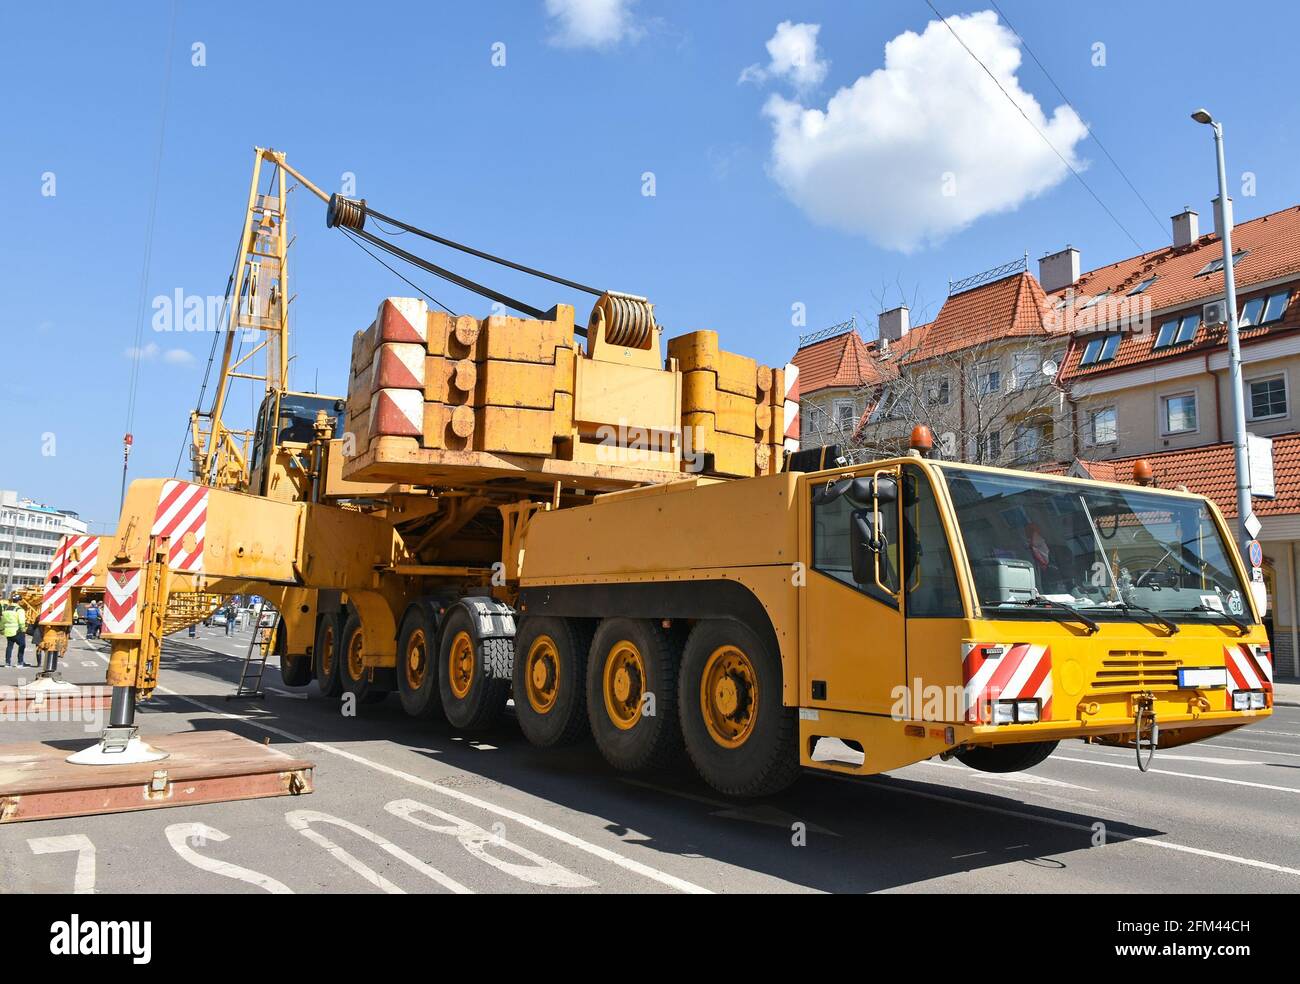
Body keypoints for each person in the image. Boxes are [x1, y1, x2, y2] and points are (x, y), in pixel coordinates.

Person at [2, 592, 28, 667]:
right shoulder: (19, 610)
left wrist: (1, 629)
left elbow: (2, 621)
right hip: (17, 631)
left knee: (9, 646)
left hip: (8, 631)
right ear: (19, 601)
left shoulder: (6, 609)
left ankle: (7, 663)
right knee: (22, 645)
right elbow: (21, 621)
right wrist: (23, 629)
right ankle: (20, 662)